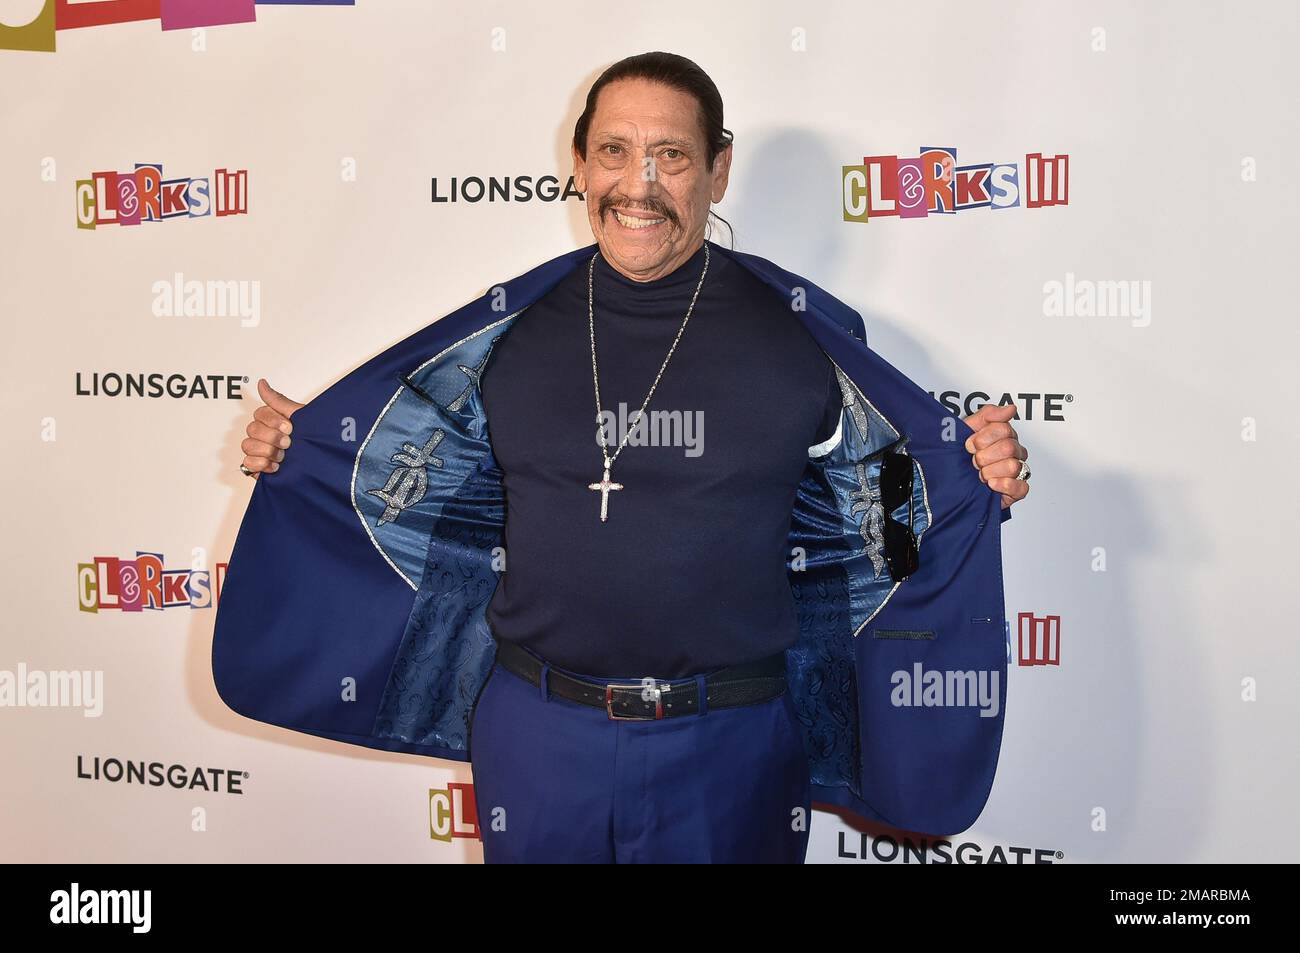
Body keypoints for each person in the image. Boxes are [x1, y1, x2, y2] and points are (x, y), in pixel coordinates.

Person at [220, 52, 1030, 864]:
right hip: (538, 740)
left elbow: (888, 513)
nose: (636, 183)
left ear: (718, 170)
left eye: (670, 155)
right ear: (578, 165)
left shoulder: (805, 338)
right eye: (613, 151)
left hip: (733, 748)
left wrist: (969, 479)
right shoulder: (502, 335)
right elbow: (408, 471)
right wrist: (310, 443)